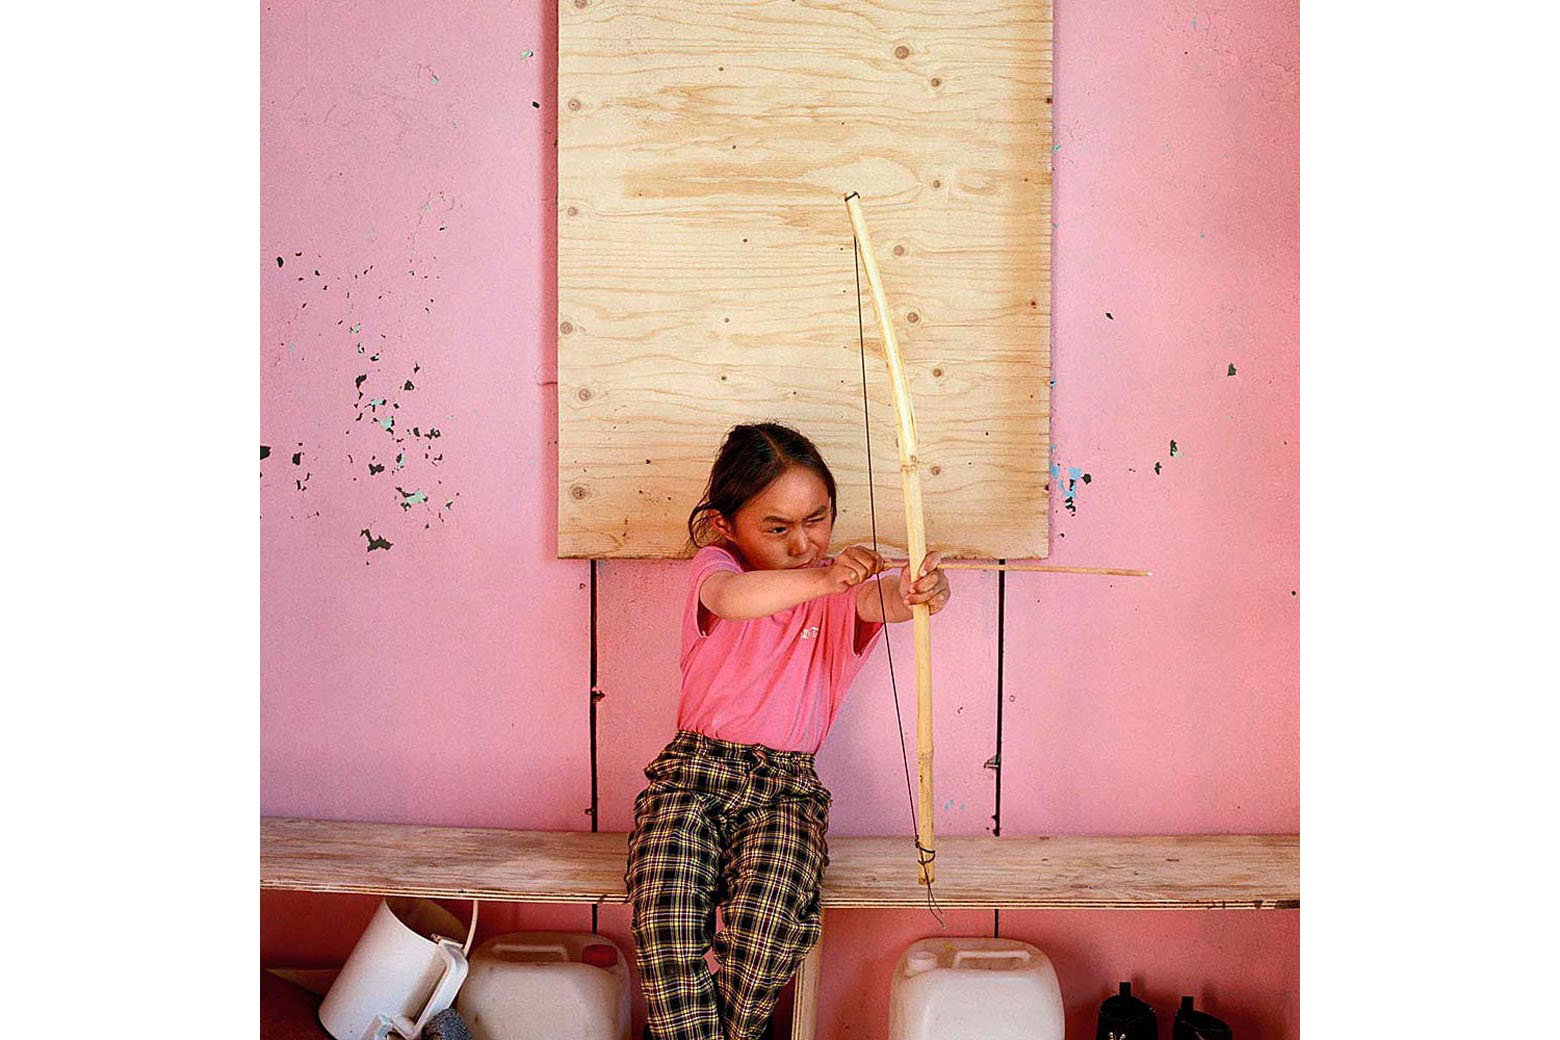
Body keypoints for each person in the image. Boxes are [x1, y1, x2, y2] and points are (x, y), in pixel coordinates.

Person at [625, 421, 951, 1040]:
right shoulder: (717, 567)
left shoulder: (841, 593)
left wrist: (922, 592)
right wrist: (825, 578)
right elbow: (731, 598)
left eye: (817, 520)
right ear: (726, 525)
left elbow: (888, 600)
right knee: (664, 907)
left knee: (774, 914)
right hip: (692, 777)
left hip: (786, 789)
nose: (803, 543)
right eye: (777, 528)